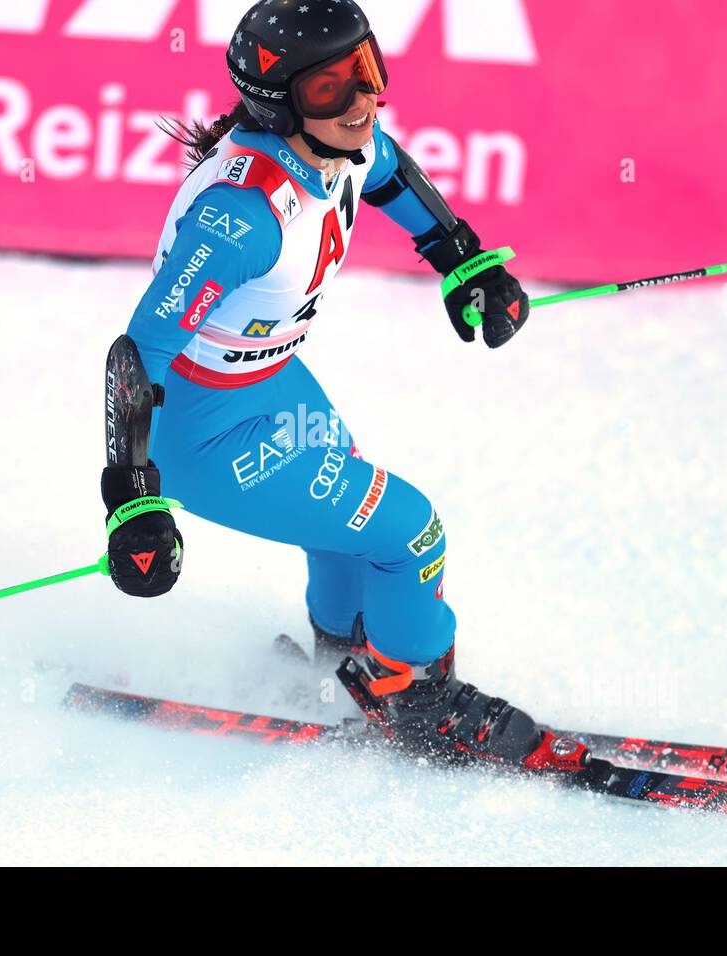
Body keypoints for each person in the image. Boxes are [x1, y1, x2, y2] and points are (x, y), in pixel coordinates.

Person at [100, 0, 588, 774]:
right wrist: (132, 498)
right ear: (281, 102)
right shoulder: (244, 218)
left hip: (268, 382)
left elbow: (393, 172)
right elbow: (140, 351)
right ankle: (413, 699)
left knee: (350, 534)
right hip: (199, 430)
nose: (365, 99)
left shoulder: (340, 145)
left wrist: (464, 260)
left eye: (367, 69)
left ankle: (347, 664)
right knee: (411, 533)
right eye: (333, 87)